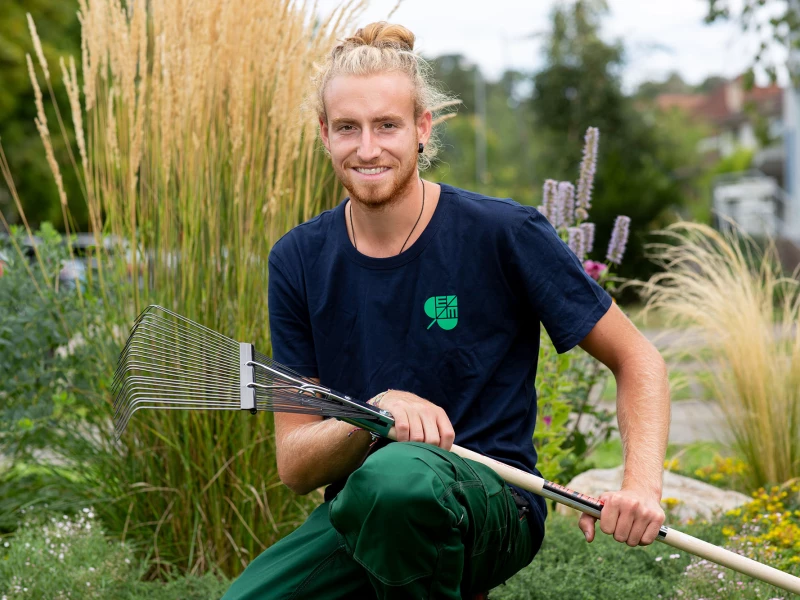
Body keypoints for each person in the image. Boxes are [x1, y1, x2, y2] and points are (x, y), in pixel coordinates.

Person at [223, 21, 670, 600]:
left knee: (398, 479)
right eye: (348, 128)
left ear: (422, 128)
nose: (367, 148)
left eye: (387, 125)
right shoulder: (297, 260)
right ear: (324, 134)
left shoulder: (504, 233)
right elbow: (296, 465)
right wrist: (374, 413)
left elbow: (637, 359)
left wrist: (640, 486)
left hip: (494, 503)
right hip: (364, 509)